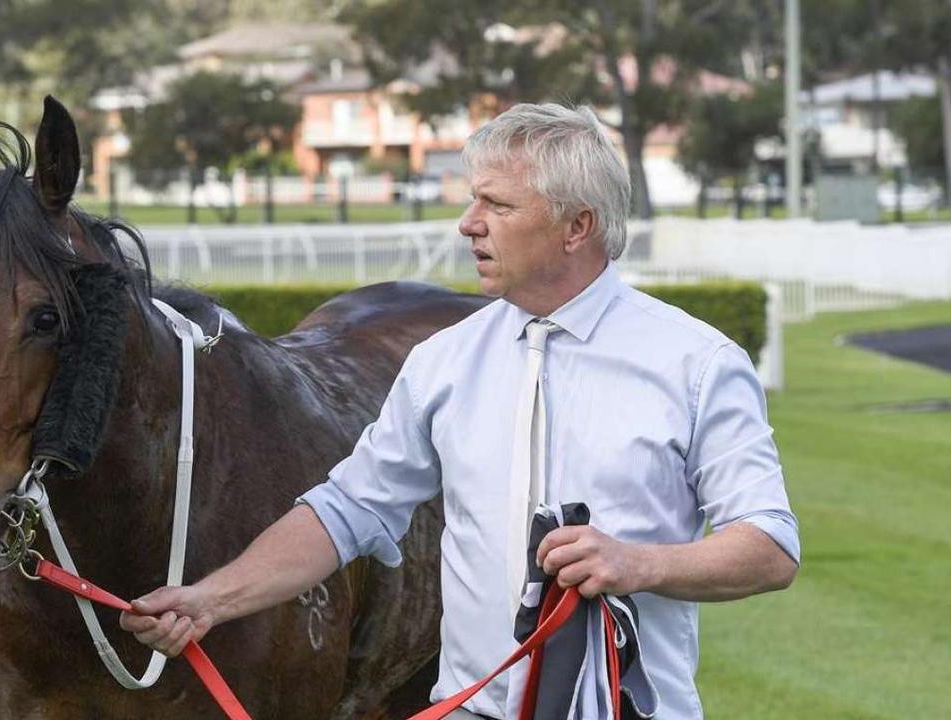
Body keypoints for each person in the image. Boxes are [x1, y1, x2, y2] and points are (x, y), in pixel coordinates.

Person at [119, 103, 800, 719]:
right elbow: (344, 511)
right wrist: (210, 599)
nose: (469, 224)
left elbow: (770, 548)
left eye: (497, 205)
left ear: (577, 226)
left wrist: (639, 564)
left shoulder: (697, 362)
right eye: (474, 200)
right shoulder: (443, 362)